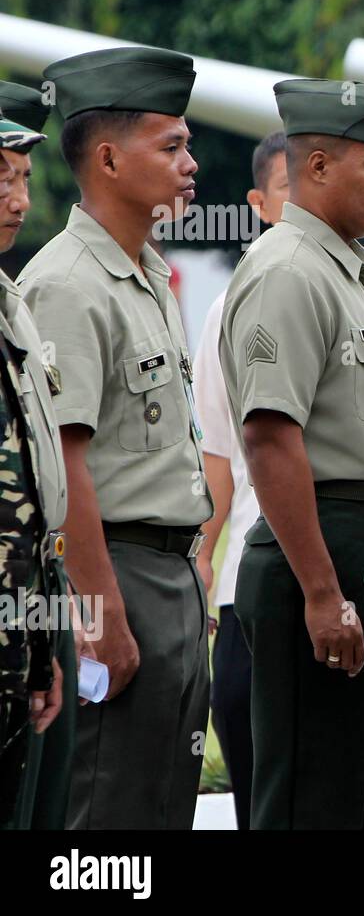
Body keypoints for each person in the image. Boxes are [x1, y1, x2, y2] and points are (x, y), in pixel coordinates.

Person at [220, 80, 364, 829]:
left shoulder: (354, 270)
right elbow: (271, 436)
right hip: (321, 552)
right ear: (316, 167)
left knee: (358, 793)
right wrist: (319, 592)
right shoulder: (288, 272)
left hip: (362, 549)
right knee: (313, 800)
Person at [19, 46, 213, 829]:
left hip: (166, 579)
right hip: (117, 575)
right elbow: (67, 468)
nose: (191, 165)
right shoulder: (68, 284)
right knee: (105, 815)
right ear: (106, 158)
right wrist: (100, 614)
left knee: (159, 805)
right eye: (170, 147)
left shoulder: (142, 273)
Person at [192, 131, 288, 831]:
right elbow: (218, 453)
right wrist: (202, 560)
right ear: (257, 203)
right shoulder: (232, 305)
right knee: (262, 789)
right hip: (254, 584)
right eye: (290, 190)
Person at [0, 116, 69, 829]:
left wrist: (38, 653)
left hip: (21, 628)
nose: (21, 200)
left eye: (23, 179)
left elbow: (31, 509)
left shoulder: (11, 305)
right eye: (1, 178)